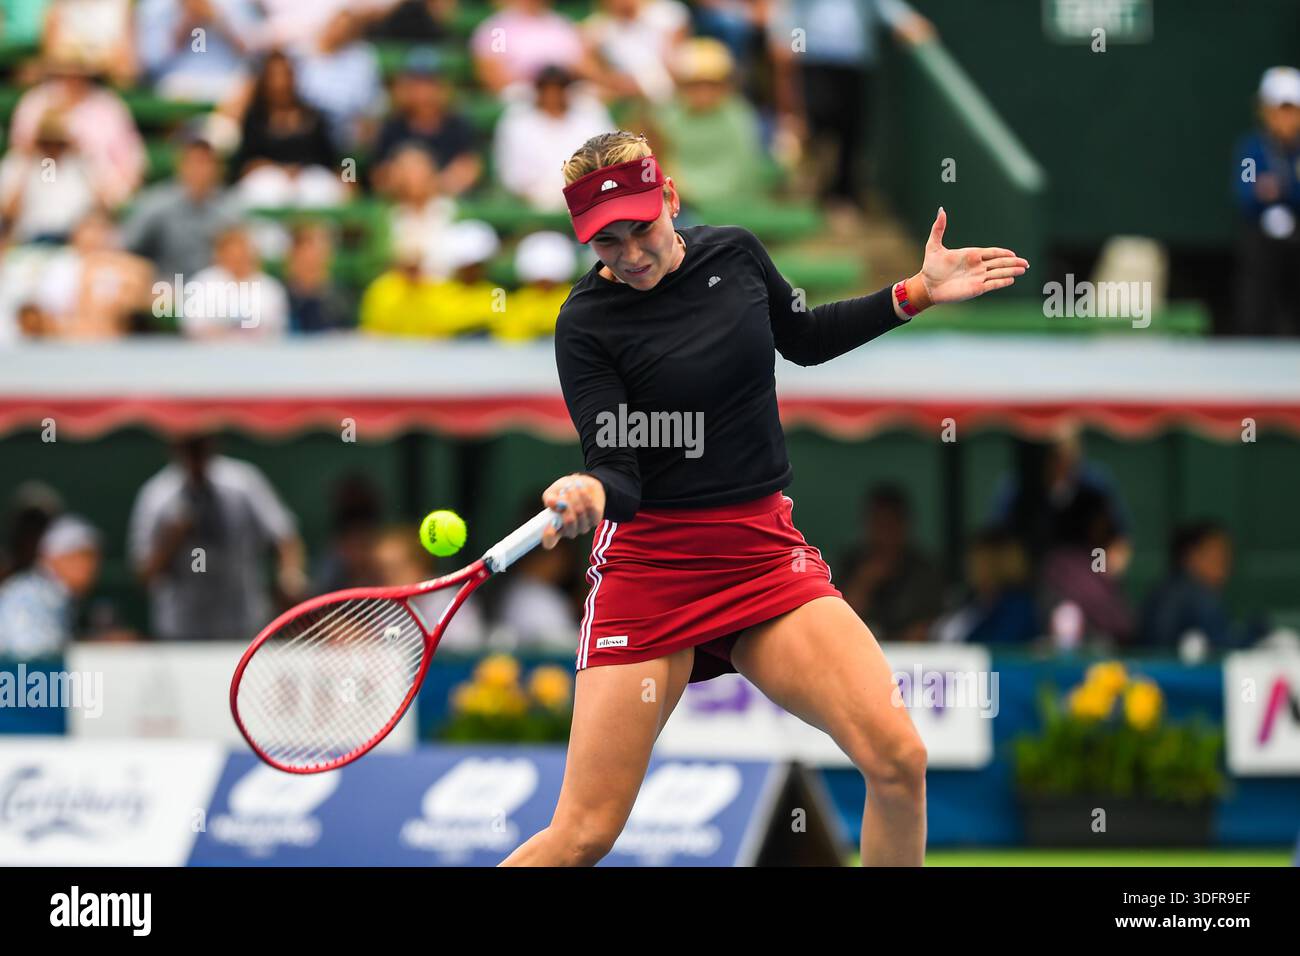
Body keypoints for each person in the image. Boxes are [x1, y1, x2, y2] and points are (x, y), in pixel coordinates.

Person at [500, 130, 1029, 866]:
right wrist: (591, 486)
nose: (628, 253)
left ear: (671, 201)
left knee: (899, 760)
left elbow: (803, 338)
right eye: (606, 242)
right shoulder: (586, 323)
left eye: (641, 228)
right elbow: (617, 468)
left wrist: (914, 293)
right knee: (584, 834)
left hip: (760, 558)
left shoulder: (737, 254)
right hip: (651, 572)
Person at [128, 434, 306, 642]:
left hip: (242, 624)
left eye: (201, 445)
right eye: (189, 448)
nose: (196, 456)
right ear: (175, 448)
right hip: (180, 630)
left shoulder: (243, 482)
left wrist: (290, 575)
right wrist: (170, 542)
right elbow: (143, 574)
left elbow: (284, 534)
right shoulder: (156, 495)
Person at [119, 128, 242, 281]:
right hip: (164, 287)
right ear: (181, 164)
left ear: (218, 167)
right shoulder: (157, 204)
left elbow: (241, 258)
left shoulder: (230, 209)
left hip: (213, 290)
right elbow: (125, 247)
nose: (201, 170)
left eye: (206, 162)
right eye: (194, 161)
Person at [1232, 66, 1300, 337]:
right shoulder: (1253, 149)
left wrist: (1282, 189)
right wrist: (1263, 193)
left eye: (1290, 109)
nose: (1283, 117)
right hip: (1261, 233)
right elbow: (1247, 189)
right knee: (1257, 288)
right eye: (1277, 109)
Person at [837, 484, 944, 643]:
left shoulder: (924, 570)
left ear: (904, 526)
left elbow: (932, 627)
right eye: (878, 524)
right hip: (855, 650)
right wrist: (864, 582)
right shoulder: (850, 564)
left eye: (890, 524)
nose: (884, 534)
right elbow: (836, 620)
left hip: (910, 662)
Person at [370, 47, 482, 199]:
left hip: (446, 203)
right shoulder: (392, 126)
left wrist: (433, 184)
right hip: (402, 205)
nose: (423, 92)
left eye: (429, 84)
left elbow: (469, 167)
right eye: (417, 84)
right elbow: (380, 177)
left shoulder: (456, 124)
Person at [0, 515, 101, 660]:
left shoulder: (57, 597)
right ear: (52, 557)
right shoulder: (28, 595)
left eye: (94, 558)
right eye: (82, 556)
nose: (90, 567)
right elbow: (34, 663)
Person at [1140, 520, 1239, 652]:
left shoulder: (1164, 590)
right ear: (1190, 556)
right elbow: (1225, 648)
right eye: (1217, 558)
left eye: (1226, 559)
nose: (1224, 568)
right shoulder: (1198, 598)